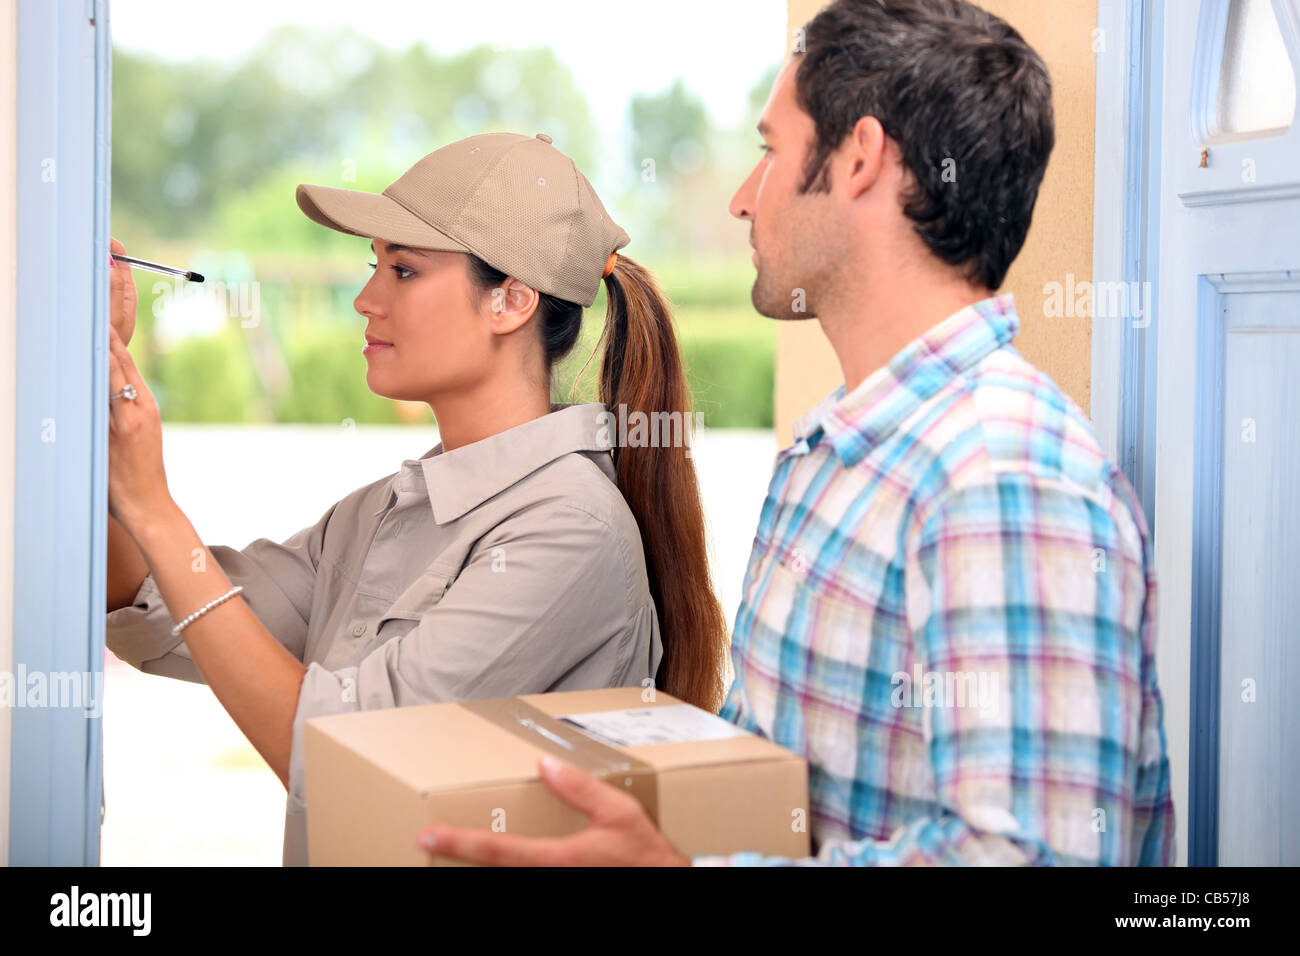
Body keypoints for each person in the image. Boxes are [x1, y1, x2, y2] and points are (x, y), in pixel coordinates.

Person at [419, 0, 1175, 866]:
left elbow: (1032, 859)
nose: (744, 199)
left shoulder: (1004, 477)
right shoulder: (831, 461)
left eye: (770, 151)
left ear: (859, 159)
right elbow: (772, 801)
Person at [104, 131, 729, 866]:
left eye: (403, 269)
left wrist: (154, 504)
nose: (367, 298)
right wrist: (100, 383)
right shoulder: (387, 510)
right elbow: (162, 611)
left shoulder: (570, 532)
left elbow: (338, 754)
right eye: (376, 266)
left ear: (512, 301)